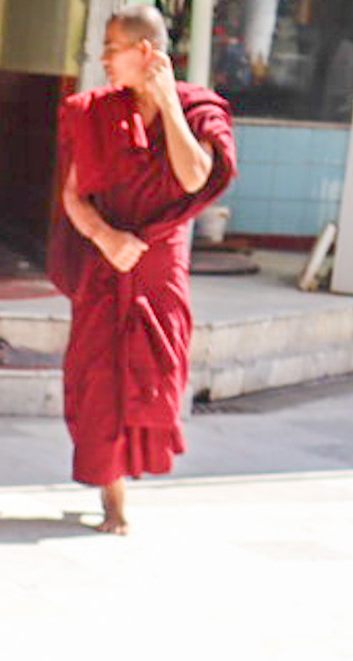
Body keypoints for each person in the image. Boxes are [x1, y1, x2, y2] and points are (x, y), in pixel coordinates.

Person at [52, 5, 235, 534]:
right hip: (108, 260)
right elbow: (72, 197)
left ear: (146, 53)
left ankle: (124, 486)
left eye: (112, 47)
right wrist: (105, 238)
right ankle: (113, 501)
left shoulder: (199, 110)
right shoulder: (94, 113)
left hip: (158, 268)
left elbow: (196, 177)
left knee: (153, 376)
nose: (103, 58)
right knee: (98, 379)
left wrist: (169, 107)